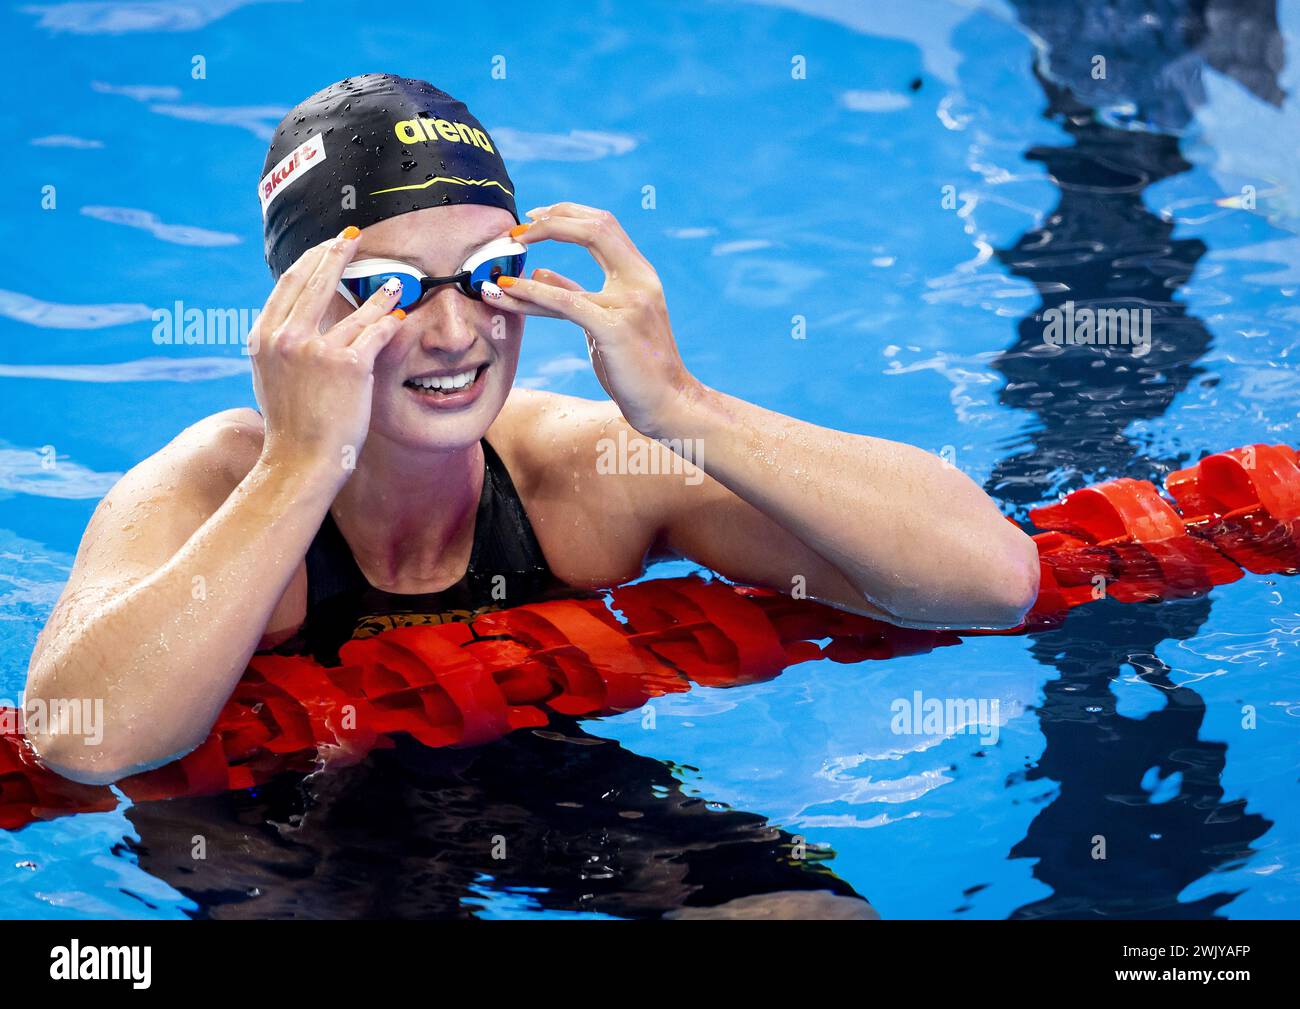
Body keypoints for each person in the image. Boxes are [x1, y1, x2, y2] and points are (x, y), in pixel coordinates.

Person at [23, 74, 1039, 786]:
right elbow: (82, 740)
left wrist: (684, 406)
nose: (456, 331)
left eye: (485, 274)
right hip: (265, 829)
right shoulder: (212, 483)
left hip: (544, 788)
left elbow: (993, 583)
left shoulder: (573, 470)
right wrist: (299, 464)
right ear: (299, 306)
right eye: (387, 288)